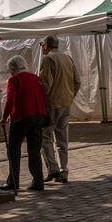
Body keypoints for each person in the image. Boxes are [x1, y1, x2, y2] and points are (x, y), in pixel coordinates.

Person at [0, 55, 48, 192]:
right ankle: (38, 181)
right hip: (38, 115)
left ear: (13, 69)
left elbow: (10, 100)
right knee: (34, 150)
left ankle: (13, 182)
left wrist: (4, 118)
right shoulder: (35, 78)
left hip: (22, 117)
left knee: (13, 150)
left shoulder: (14, 80)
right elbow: (44, 96)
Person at [38, 35, 80, 183]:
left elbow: (45, 84)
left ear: (47, 45)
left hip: (52, 104)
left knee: (45, 137)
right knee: (62, 139)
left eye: (42, 44)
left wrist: (42, 103)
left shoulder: (48, 59)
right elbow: (77, 81)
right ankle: (64, 169)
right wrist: (69, 96)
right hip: (65, 104)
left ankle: (53, 168)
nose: (41, 47)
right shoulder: (67, 58)